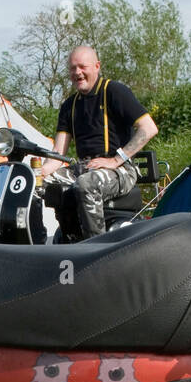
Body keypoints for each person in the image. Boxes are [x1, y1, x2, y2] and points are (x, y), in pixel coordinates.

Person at [40, 45, 158, 239]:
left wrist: (115, 160)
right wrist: (38, 174)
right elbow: (58, 154)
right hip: (84, 167)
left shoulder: (114, 91)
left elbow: (149, 128)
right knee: (39, 185)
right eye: (72, 68)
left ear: (97, 66)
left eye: (82, 67)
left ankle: (95, 247)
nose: (77, 72)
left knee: (86, 184)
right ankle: (47, 241)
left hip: (119, 170)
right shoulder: (69, 105)